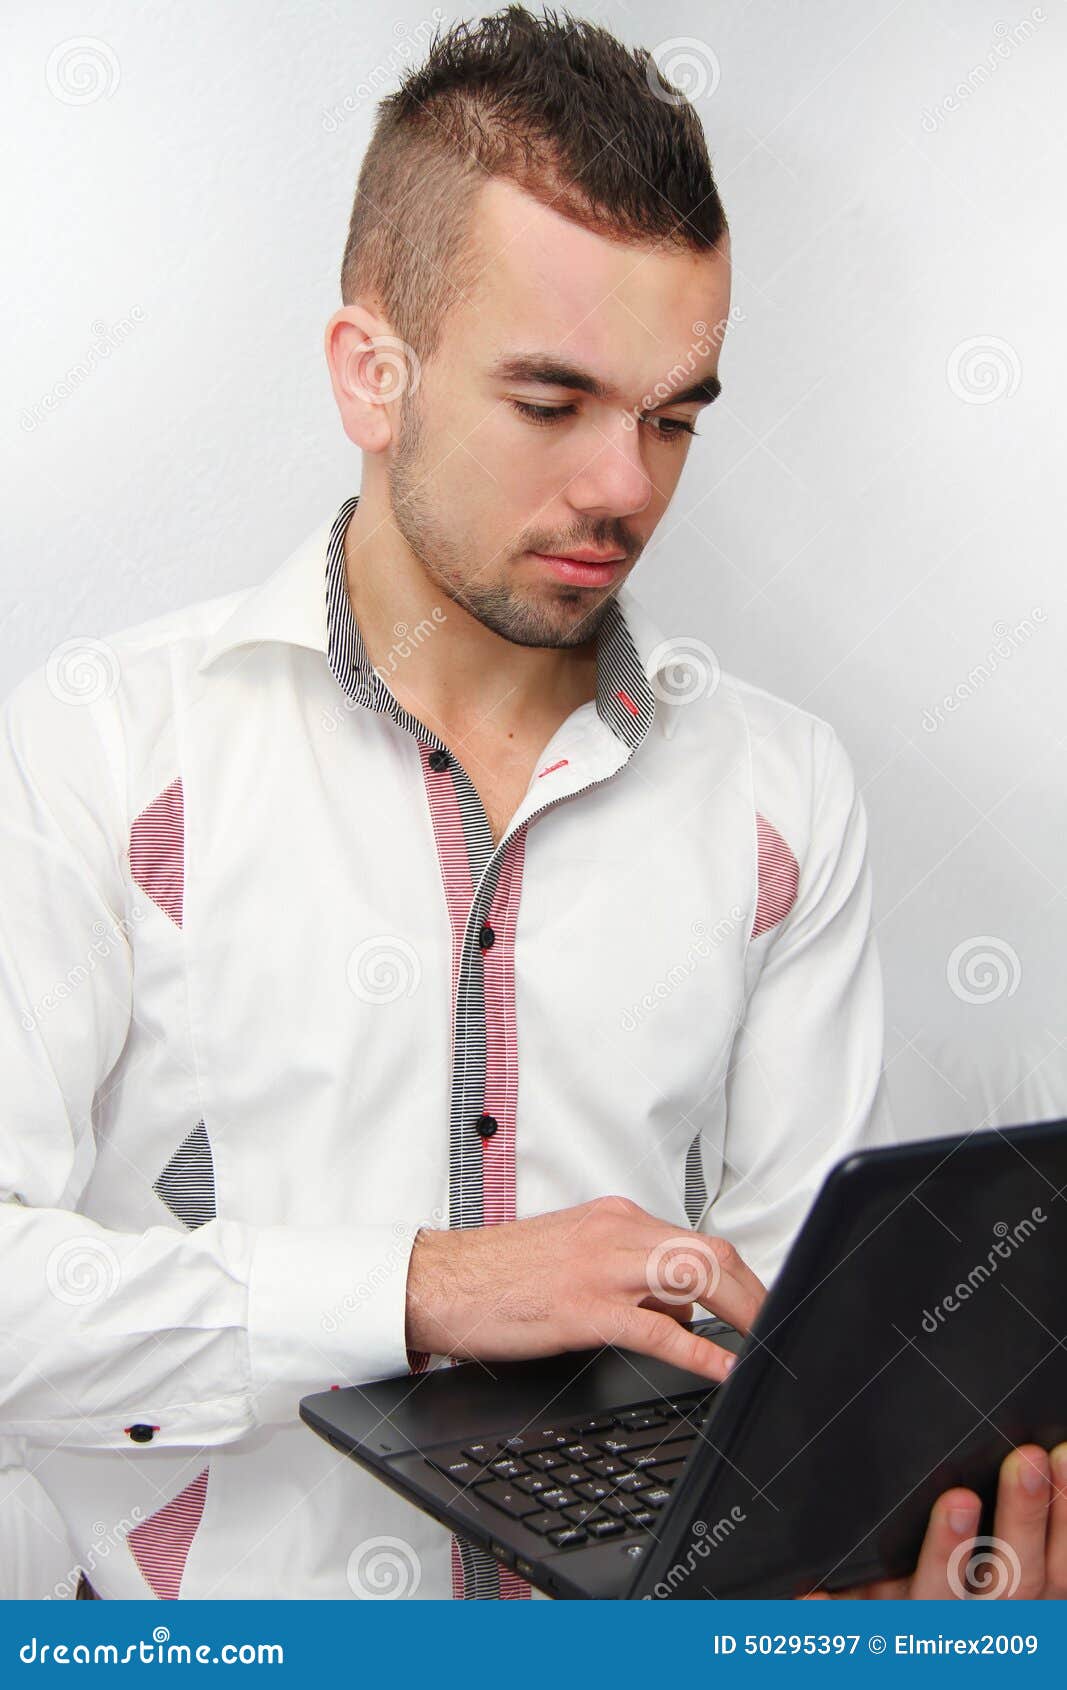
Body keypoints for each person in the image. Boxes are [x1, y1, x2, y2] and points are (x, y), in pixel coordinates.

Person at [0, 4, 1060, 1602]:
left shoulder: (784, 797)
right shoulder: (93, 751)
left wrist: (891, 1569)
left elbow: (786, 1365)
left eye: (674, 414)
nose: (627, 486)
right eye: (554, 403)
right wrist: (421, 1287)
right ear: (372, 371)